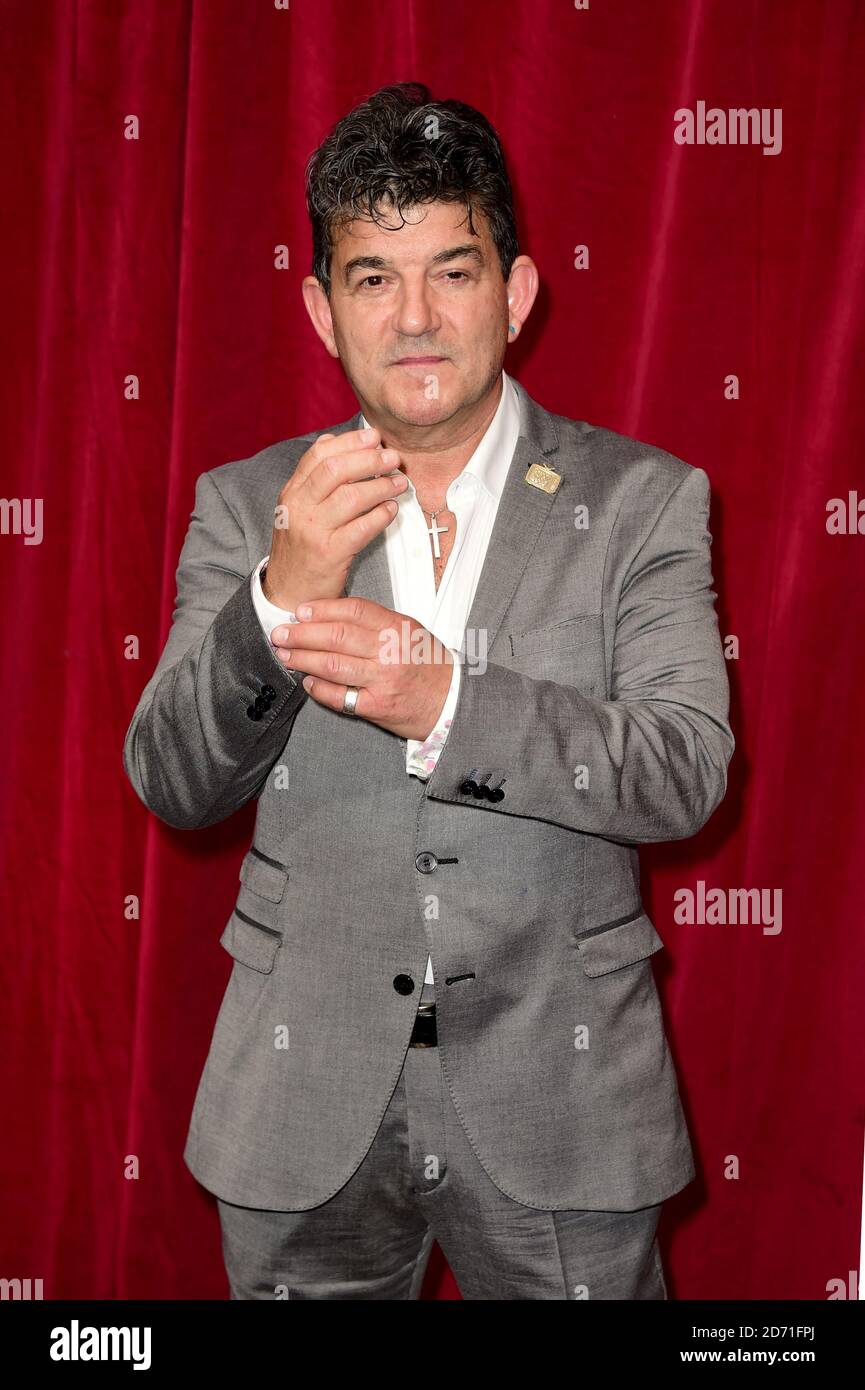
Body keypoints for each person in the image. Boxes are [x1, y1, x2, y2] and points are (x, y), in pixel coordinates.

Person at [123, 81, 734, 1300]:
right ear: (319, 308)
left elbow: (684, 770)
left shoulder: (646, 500)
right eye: (369, 277)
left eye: (451, 272)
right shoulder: (250, 505)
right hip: (301, 1106)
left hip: (565, 1109)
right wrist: (275, 603)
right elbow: (174, 781)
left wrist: (446, 699)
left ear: (513, 293)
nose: (412, 317)